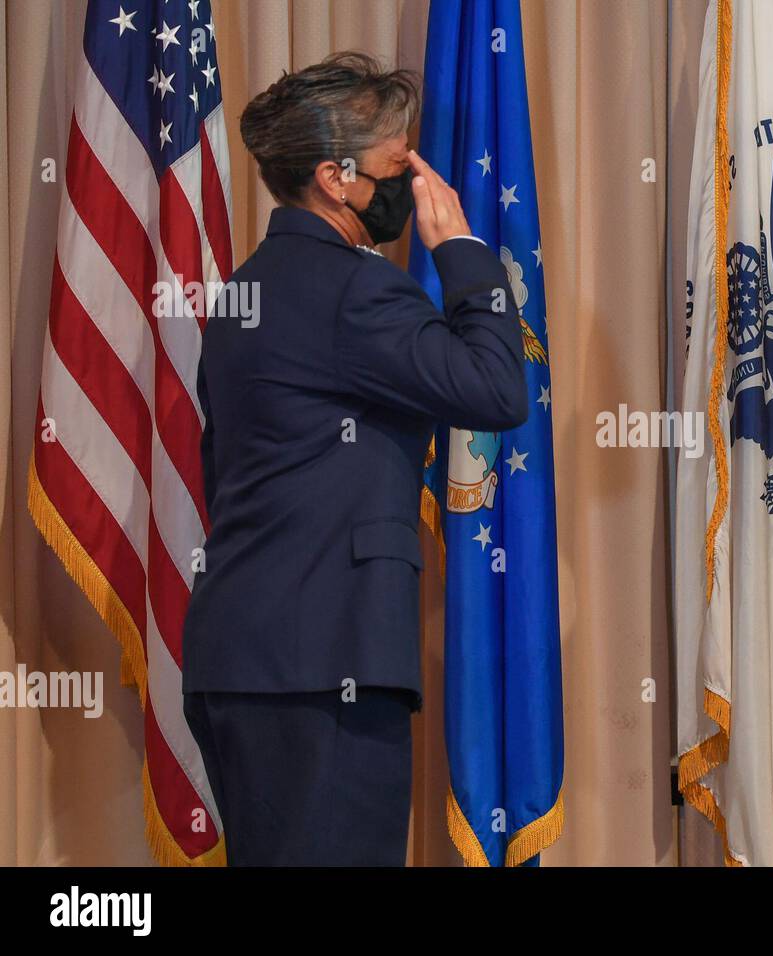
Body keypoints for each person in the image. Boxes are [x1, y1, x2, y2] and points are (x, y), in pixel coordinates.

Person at [180, 52, 529, 866]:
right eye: (397, 164)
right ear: (337, 179)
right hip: (322, 664)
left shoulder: (243, 293)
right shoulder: (356, 290)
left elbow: (221, 467)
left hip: (240, 660)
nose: (414, 182)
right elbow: (497, 390)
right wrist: (463, 253)